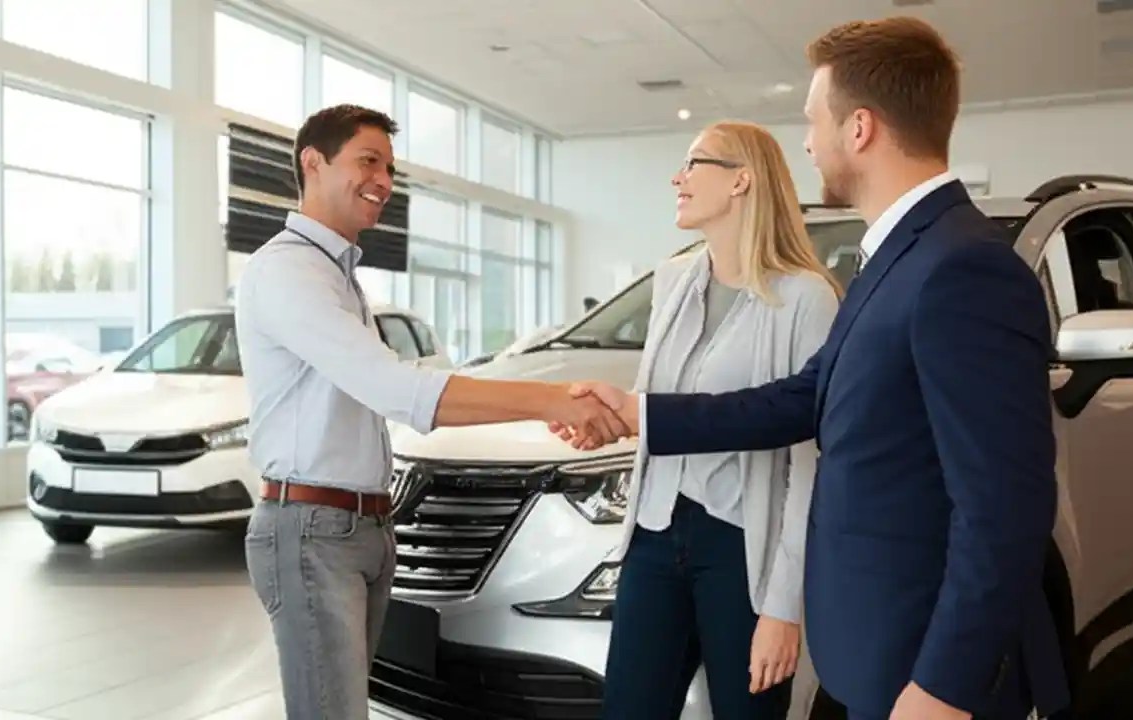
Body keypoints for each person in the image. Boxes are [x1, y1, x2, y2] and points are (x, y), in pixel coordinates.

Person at [555, 17, 1069, 720]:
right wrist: (637, 411)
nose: (807, 142)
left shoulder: (963, 266)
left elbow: (1006, 507)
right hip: (876, 651)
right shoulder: (894, 260)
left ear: (859, 128)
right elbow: (799, 400)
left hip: (924, 672)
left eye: (813, 120)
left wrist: (947, 685)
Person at [234, 103, 627, 720]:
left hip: (362, 526)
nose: (384, 181)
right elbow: (399, 391)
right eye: (368, 161)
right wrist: (551, 399)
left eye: (389, 167)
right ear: (313, 163)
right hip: (311, 528)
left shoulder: (339, 276)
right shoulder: (288, 271)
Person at [600, 121, 840, 720]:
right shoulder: (672, 281)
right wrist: (606, 419)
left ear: (742, 180)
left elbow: (810, 467)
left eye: (693, 163)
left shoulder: (808, 298)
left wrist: (785, 608)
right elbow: (656, 402)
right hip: (654, 537)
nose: (677, 178)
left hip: (738, 548)